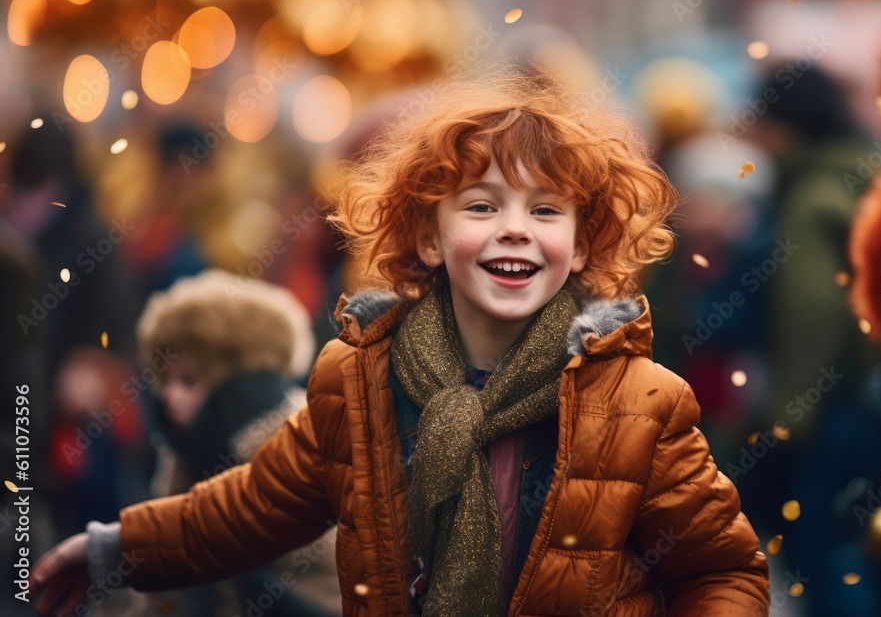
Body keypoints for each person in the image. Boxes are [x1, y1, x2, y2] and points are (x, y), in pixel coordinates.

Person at [31, 64, 769, 616]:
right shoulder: (358, 381)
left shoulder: (640, 400)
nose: (515, 227)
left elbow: (722, 569)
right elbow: (251, 506)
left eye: (546, 210)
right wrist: (113, 548)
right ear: (425, 233)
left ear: (580, 245)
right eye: (481, 205)